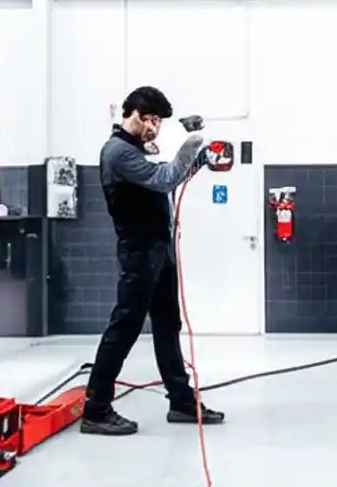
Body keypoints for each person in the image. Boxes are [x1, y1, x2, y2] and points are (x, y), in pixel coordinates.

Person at [81, 85, 226, 436]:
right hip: (139, 252)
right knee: (125, 328)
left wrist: (195, 163)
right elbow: (163, 180)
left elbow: (165, 177)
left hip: (158, 252)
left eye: (157, 121)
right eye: (146, 119)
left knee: (167, 324)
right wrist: (193, 146)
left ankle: (180, 401)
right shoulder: (117, 152)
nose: (152, 127)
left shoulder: (137, 151)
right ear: (127, 114)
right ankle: (96, 408)